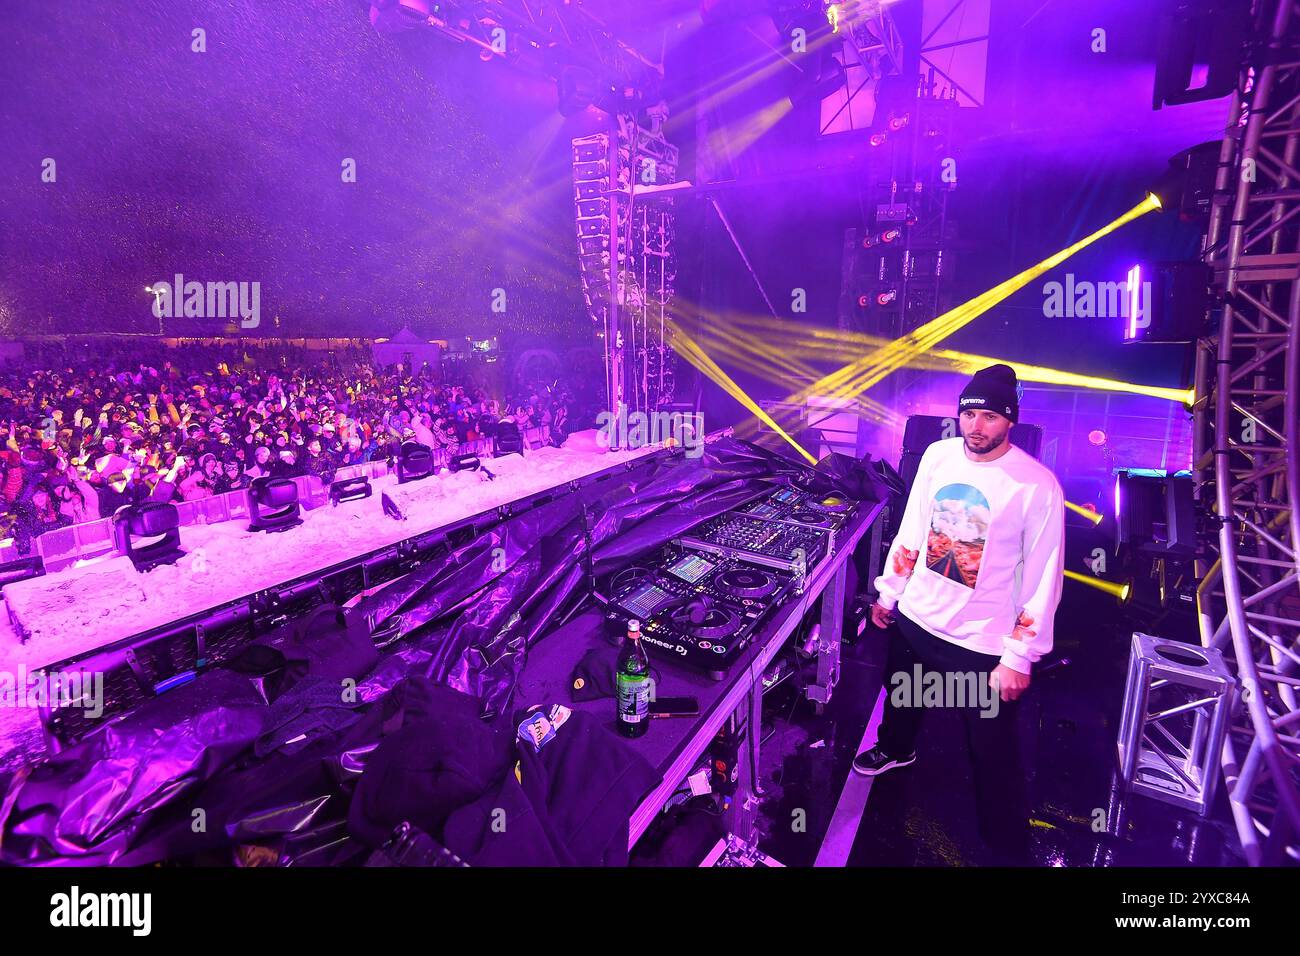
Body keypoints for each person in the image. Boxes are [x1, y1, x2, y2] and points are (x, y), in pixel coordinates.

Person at [854, 364, 1064, 865]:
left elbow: (1042, 576)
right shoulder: (937, 455)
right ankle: (897, 749)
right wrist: (889, 594)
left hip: (981, 641)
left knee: (991, 749)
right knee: (901, 697)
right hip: (919, 616)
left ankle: (1005, 842)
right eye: (970, 413)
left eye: (990, 416)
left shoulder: (1036, 485)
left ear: (1009, 421)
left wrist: (1019, 655)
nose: (976, 426)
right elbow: (912, 528)